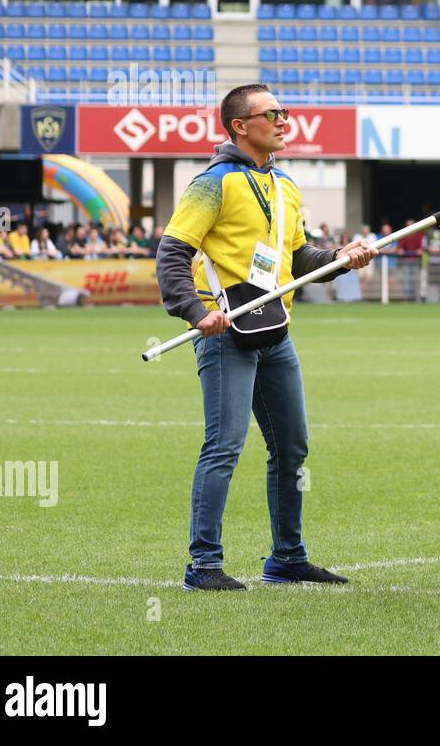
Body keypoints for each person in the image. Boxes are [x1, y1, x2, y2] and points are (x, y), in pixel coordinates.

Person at [155, 83, 376, 591]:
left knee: (292, 447)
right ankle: (203, 565)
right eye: (272, 113)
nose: (283, 120)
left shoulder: (285, 185)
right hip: (226, 331)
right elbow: (172, 253)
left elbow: (299, 262)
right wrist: (194, 313)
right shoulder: (212, 184)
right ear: (239, 126)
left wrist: (343, 259)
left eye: (284, 111)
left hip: (275, 332)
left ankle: (287, 558)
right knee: (224, 447)